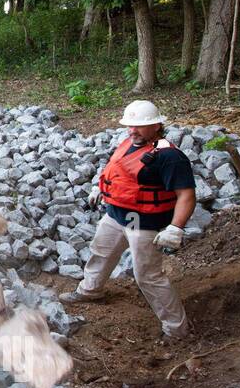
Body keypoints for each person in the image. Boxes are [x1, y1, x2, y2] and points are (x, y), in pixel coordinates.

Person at [60, 100, 195, 339]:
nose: (133, 131)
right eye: (130, 126)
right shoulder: (127, 143)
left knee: (148, 276)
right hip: (116, 215)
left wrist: (175, 228)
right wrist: (100, 188)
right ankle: (90, 290)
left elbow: (186, 195)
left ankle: (177, 329)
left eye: (140, 126)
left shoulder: (170, 157)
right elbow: (119, 174)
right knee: (101, 252)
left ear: (156, 126)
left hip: (145, 224)